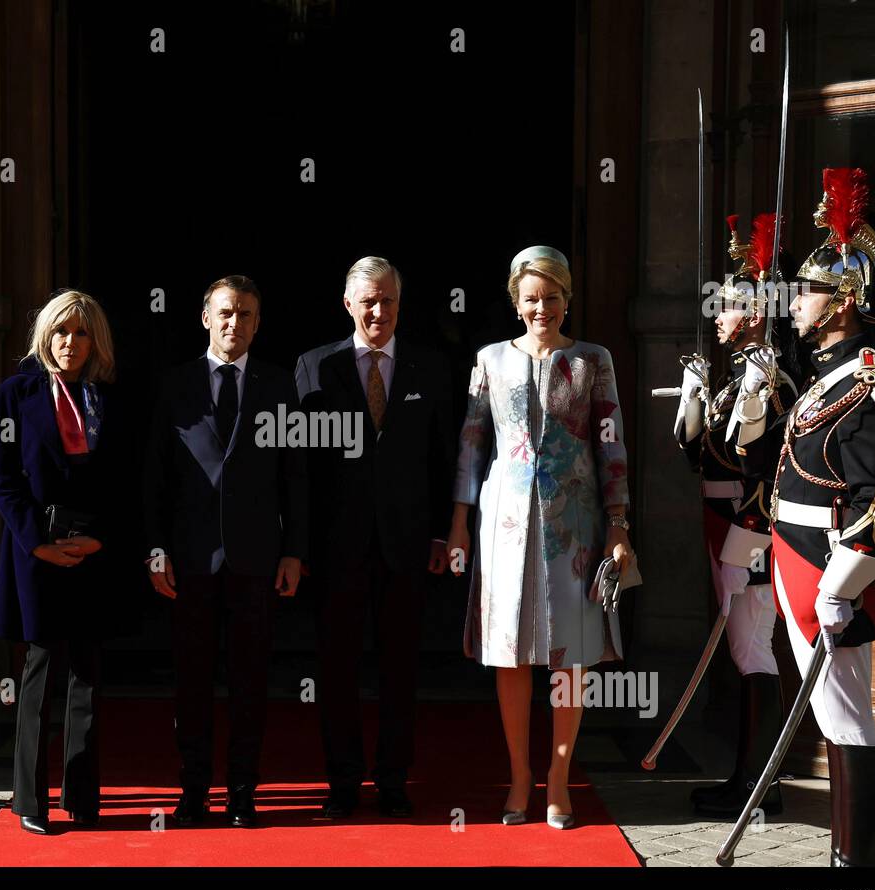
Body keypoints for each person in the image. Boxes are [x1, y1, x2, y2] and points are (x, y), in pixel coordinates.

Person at [738, 167, 875, 865]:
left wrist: (841, 586)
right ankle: (845, 857)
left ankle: (856, 867)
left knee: (848, 716)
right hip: (798, 556)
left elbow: (872, 497)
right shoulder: (824, 373)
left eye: (805, 292)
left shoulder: (868, 380)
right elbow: (756, 449)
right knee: (832, 715)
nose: (794, 301)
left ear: (840, 303)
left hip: (829, 568)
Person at [446, 246, 632, 829]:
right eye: (531, 298)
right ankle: (520, 775)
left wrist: (620, 525)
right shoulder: (490, 360)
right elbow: (472, 444)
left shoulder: (592, 359)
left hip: (575, 523)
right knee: (511, 652)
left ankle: (558, 778)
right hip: (503, 519)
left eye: (552, 297)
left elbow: (611, 444)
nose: (542, 308)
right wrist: (457, 524)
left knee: (569, 655)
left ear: (567, 299)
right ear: (515, 301)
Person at [144, 275, 307, 828]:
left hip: (256, 559)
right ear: (206, 317)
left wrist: (294, 551)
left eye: (246, 315)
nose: (235, 322)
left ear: (258, 324)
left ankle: (242, 794)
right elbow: (156, 479)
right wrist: (154, 550)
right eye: (226, 312)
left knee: (249, 681)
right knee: (191, 681)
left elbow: (296, 477)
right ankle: (194, 793)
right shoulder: (175, 384)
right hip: (189, 560)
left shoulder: (280, 386)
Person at [294, 256, 454, 819]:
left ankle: (392, 779)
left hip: (408, 544)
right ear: (348, 304)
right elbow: (301, 467)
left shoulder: (430, 368)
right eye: (368, 300)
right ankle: (341, 783)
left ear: (399, 304)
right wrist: (298, 545)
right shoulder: (314, 366)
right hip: (337, 547)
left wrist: (442, 534)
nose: (378, 310)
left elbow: (444, 460)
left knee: (400, 668)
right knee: (336, 670)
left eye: (387, 300)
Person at [675, 214, 797, 817]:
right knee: (744, 651)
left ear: (751, 313)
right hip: (721, 522)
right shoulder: (735, 378)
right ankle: (750, 777)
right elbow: (697, 451)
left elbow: (753, 456)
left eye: (724, 309)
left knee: (753, 650)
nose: (715, 318)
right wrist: (696, 398)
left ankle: (757, 783)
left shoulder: (767, 380)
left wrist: (744, 394)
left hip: (749, 527)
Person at [0, 290, 116, 835]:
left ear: (95, 341)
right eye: (61, 331)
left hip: (91, 548)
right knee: (39, 675)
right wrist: (38, 541)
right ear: (46, 335)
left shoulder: (107, 398)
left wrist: (101, 538)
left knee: (88, 674)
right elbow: (4, 481)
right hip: (34, 551)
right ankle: (30, 802)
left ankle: (83, 797)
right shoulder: (15, 395)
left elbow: (124, 478)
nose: (71, 342)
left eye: (82, 333)